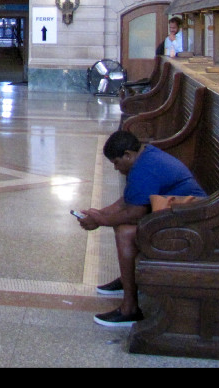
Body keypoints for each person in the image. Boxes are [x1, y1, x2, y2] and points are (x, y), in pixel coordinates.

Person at [77, 129, 206, 327]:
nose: (115, 168)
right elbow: (126, 201)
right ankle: (129, 278)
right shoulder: (145, 157)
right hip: (178, 215)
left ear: (128, 155)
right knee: (121, 226)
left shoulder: (144, 168)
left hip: (192, 224)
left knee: (125, 232)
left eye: (116, 162)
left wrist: (100, 221)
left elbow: (135, 213)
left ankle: (130, 309)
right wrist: (99, 214)